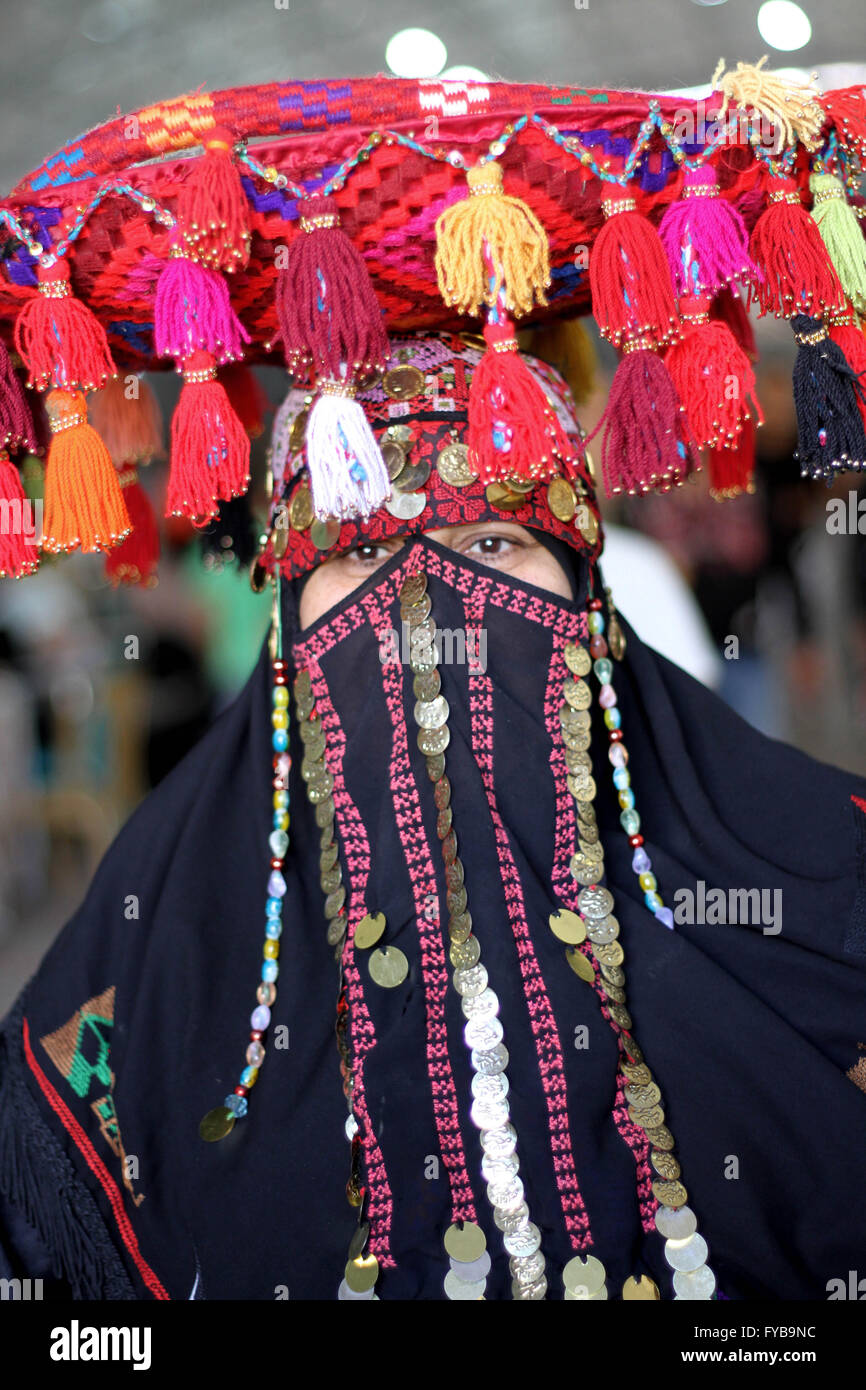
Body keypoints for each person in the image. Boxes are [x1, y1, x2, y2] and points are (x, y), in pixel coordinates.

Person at [2, 64, 866, 1304]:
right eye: (356, 556)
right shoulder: (156, 951)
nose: (423, 611)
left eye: (490, 547)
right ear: (282, 623)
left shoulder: (810, 890)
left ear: (588, 602)